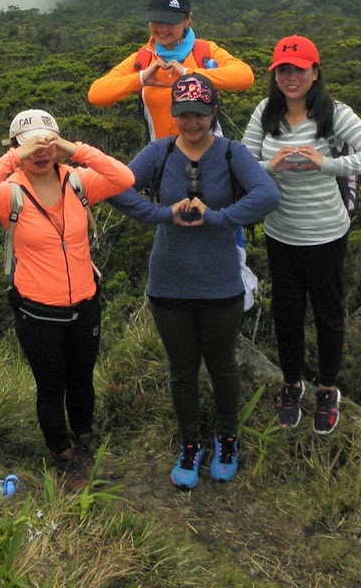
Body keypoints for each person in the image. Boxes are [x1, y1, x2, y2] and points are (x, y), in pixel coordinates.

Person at [107, 73, 278, 489]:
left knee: (223, 368)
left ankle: (227, 440)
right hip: (169, 283)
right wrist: (164, 214)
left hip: (221, 284)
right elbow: (117, 188)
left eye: (200, 114)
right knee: (182, 370)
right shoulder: (158, 151)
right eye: (183, 114)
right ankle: (189, 445)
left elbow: (266, 194)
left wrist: (217, 217)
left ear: (213, 112)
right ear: (173, 114)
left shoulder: (232, 153)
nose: (191, 123)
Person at [0, 109, 134, 481]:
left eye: (49, 143)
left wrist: (75, 149)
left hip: (85, 305)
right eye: (30, 145)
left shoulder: (78, 182)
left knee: (83, 379)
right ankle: (63, 453)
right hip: (38, 312)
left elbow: (125, 177)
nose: (42, 152)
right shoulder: (10, 194)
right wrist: (13, 159)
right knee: (51, 386)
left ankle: (84, 439)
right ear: (15, 148)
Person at [241, 35, 361, 436]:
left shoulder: (333, 113)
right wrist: (270, 166)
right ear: (274, 74)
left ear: (315, 72)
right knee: (287, 313)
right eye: (283, 70)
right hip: (281, 231)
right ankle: (292, 385)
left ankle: (327, 389)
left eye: (300, 69)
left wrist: (327, 164)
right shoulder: (264, 111)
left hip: (326, 233)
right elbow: (243, 162)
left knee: (327, 314)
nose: (291, 77)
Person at [87, 0, 255, 142]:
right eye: (156, 21)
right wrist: (141, 79)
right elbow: (96, 94)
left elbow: (244, 76)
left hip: (211, 162)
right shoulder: (143, 60)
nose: (162, 29)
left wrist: (188, 74)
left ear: (187, 19)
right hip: (162, 164)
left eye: (170, 22)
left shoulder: (205, 52)